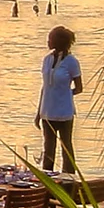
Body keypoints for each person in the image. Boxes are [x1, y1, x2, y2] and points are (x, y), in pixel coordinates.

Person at [35, 25, 82, 174]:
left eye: (51, 38)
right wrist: (38, 113)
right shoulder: (47, 60)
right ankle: (47, 180)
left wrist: (65, 94)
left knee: (66, 146)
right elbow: (45, 87)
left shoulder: (71, 62)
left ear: (60, 41)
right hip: (47, 111)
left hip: (64, 112)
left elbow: (79, 87)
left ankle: (69, 179)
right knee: (48, 147)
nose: (48, 41)